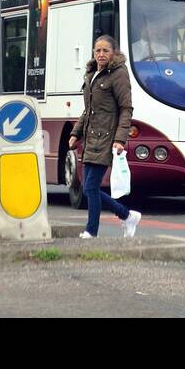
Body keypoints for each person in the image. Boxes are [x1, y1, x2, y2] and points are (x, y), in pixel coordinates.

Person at [67, 35, 141, 238]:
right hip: (91, 138)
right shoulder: (92, 73)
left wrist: (120, 139)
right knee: (87, 187)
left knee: (90, 186)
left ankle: (92, 231)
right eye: (97, 50)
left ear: (114, 53)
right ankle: (127, 216)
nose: (100, 54)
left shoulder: (118, 74)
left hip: (107, 138)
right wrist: (76, 133)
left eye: (105, 51)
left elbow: (126, 109)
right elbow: (88, 110)